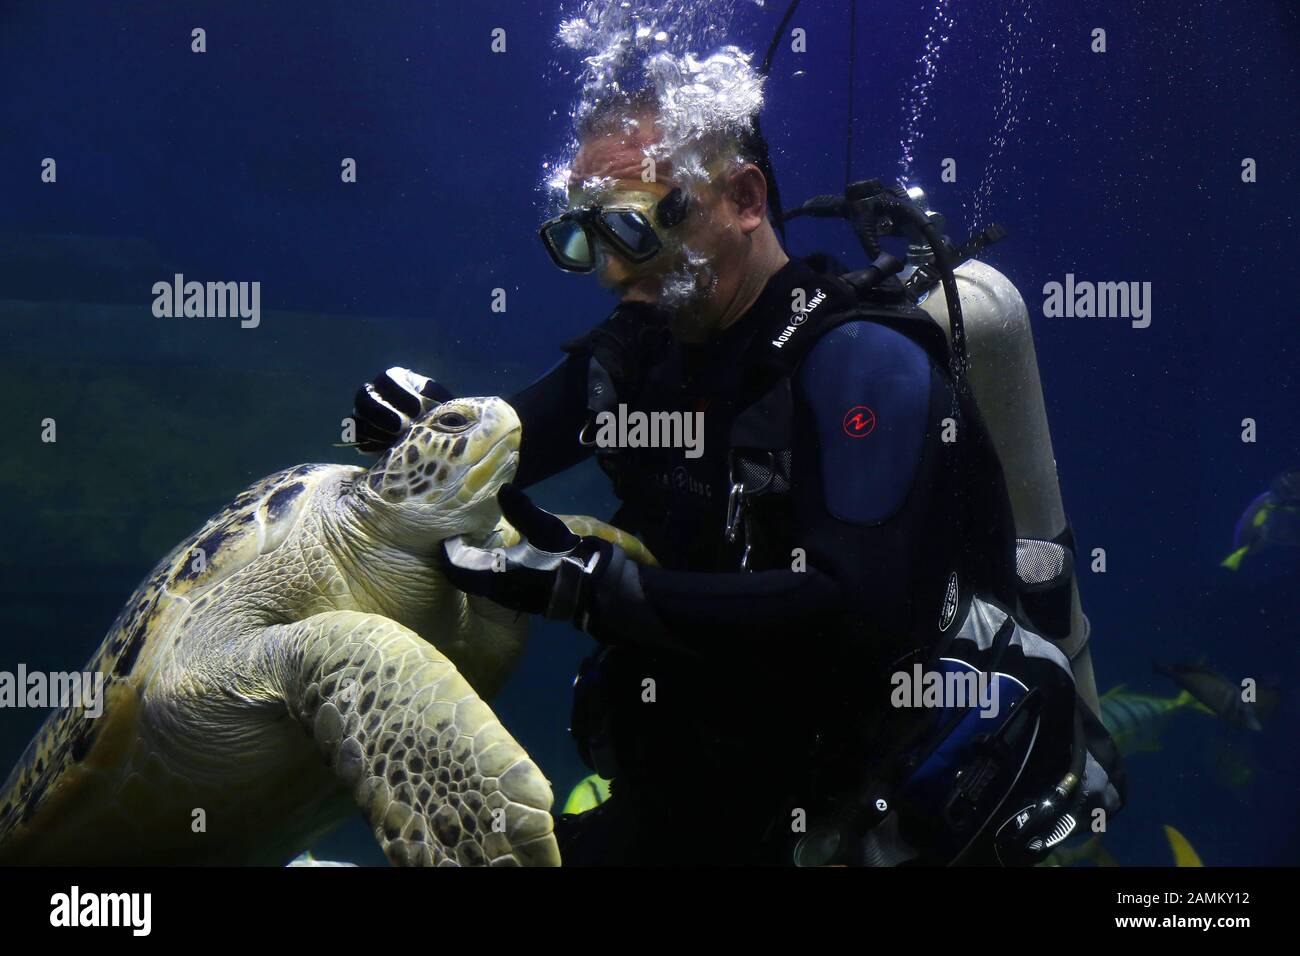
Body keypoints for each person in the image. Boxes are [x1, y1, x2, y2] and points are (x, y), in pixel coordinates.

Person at [352, 88, 1122, 865]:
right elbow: (502, 446)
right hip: (708, 790)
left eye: (633, 226)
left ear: (745, 199)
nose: (611, 272)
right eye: (583, 238)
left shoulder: (861, 363)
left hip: (859, 806)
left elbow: (850, 609)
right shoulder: (653, 342)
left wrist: (596, 590)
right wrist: (428, 427)